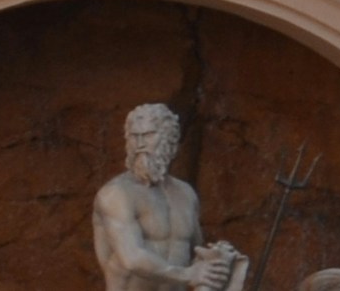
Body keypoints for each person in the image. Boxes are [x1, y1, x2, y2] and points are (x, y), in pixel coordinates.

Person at [93, 104, 244, 291]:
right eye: (134, 136)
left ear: (169, 139)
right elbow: (131, 258)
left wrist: (218, 259)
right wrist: (189, 275)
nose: (139, 144)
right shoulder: (116, 194)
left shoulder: (186, 194)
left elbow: (193, 253)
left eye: (148, 135)